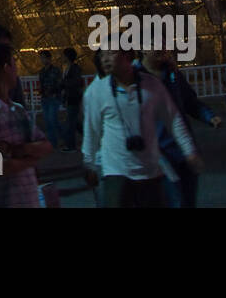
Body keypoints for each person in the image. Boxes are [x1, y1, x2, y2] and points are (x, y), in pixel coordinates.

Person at [82, 49, 200, 208]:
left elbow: (173, 119)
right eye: (103, 54)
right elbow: (91, 130)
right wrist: (89, 164)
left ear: (127, 56)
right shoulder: (97, 91)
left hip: (150, 170)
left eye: (112, 53)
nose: (105, 59)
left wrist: (189, 151)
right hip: (115, 172)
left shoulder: (152, 86)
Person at [0, 41, 52, 207]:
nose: (17, 70)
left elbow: (46, 145)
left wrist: (22, 150)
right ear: (6, 67)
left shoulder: (17, 109)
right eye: (14, 64)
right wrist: (30, 161)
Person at [145, 49, 221, 207]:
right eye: (153, 43)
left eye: (163, 43)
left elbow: (189, 101)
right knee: (173, 200)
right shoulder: (135, 78)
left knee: (187, 200)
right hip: (157, 153)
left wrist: (209, 116)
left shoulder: (173, 74)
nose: (160, 48)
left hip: (183, 149)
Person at [38, 50, 64, 150]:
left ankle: (56, 141)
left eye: (43, 58)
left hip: (54, 97)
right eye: (41, 58)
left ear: (49, 58)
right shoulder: (42, 72)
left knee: (52, 119)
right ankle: (54, 142)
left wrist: (52, 90)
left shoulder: (56, 70)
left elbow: (59, 83)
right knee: (48, 121)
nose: (42, 60)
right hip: (45, 98)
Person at [61, 48, 84, 151]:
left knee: (70, 122)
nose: (62, 57)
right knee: (74, 121)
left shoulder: (74, 68)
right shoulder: (68, 68)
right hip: (71, 97)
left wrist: (63, 83)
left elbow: (75, 82)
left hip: (73, 97)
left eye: (64, 55)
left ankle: (71, 145)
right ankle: (87, 136)